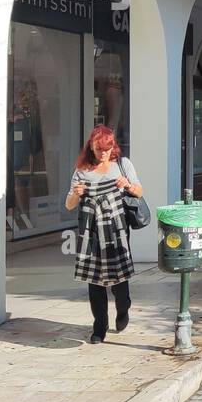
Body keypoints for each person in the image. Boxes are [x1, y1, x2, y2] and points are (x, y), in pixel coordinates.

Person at [65, 125, 141, 344]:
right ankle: (100, 326)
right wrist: (77, 194)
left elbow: (139, 191)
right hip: (90, 230)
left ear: (112, 147)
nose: (103, 154)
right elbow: (69, 204)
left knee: (119, 278)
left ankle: (123, 308)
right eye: (99, 150)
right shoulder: (82, 171)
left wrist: (127, 185)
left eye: (107, 149)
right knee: (94, 280)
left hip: (116, 229)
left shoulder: (122, 165)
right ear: (91, 147)